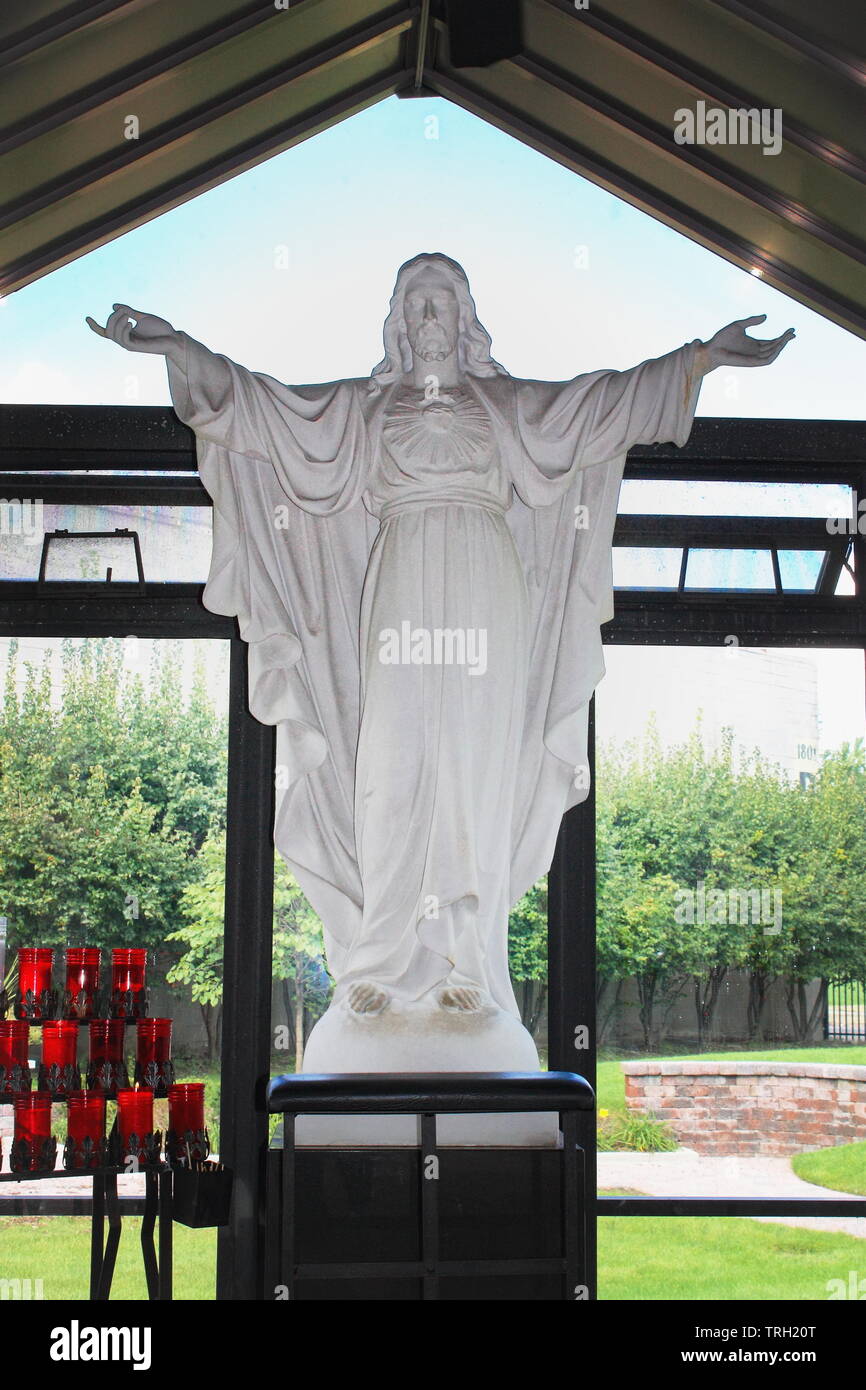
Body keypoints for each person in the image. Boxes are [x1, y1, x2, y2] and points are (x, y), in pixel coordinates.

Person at [88, 253, 793, 1060]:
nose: (428, 318)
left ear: (464, 319)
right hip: (401, 577)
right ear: (399, 320)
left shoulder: (506, 404)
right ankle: (380, 959)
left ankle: (470, 960)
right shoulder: (364, 408)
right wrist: (179, 349)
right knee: (389, 765)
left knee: (473, 769)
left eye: (441, 303)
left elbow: (607, 402)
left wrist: (700, 357)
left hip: (486, 584)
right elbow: (261, 407)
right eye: (415, 303)